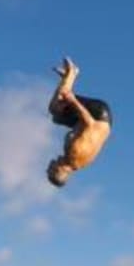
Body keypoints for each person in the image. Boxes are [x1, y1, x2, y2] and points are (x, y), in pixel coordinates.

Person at [46, 57, 112, 187]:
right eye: (51, 167)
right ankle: (72, 72)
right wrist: (73, 101)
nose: (51, 162)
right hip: (97, 115)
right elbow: (90, 124)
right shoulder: (74, 151)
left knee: (57, 118)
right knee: (55, 107)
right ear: (60, 170)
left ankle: (66, 79)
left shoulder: (77, 164)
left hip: (102, 122)